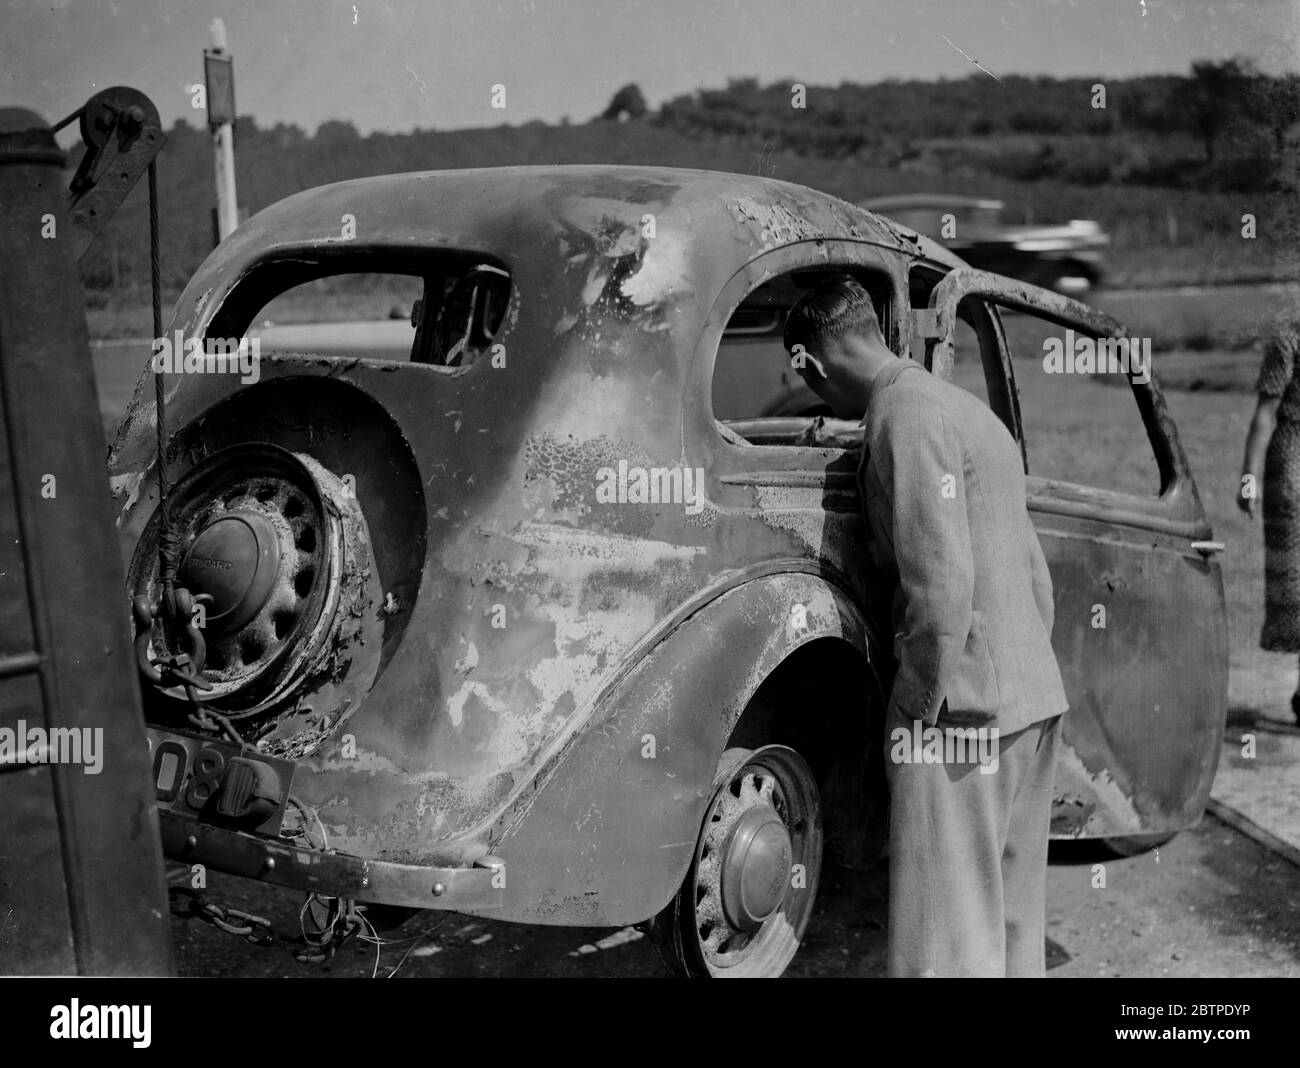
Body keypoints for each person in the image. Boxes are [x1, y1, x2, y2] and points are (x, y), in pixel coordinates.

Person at [783, 275, 1069, 977]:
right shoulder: (963, 411)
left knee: (943, 945)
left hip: (962, 715)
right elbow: (1037, 579)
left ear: (812, 365)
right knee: (1008, 933)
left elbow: (939, 593)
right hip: (1031, 700)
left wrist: (910, 714)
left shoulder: (903, 419)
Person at [1238, 319, 1300, 724]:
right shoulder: (1287, 341)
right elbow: (1265, 415)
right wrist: (1249, 478)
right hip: (1292, 467)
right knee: (1294, 586)